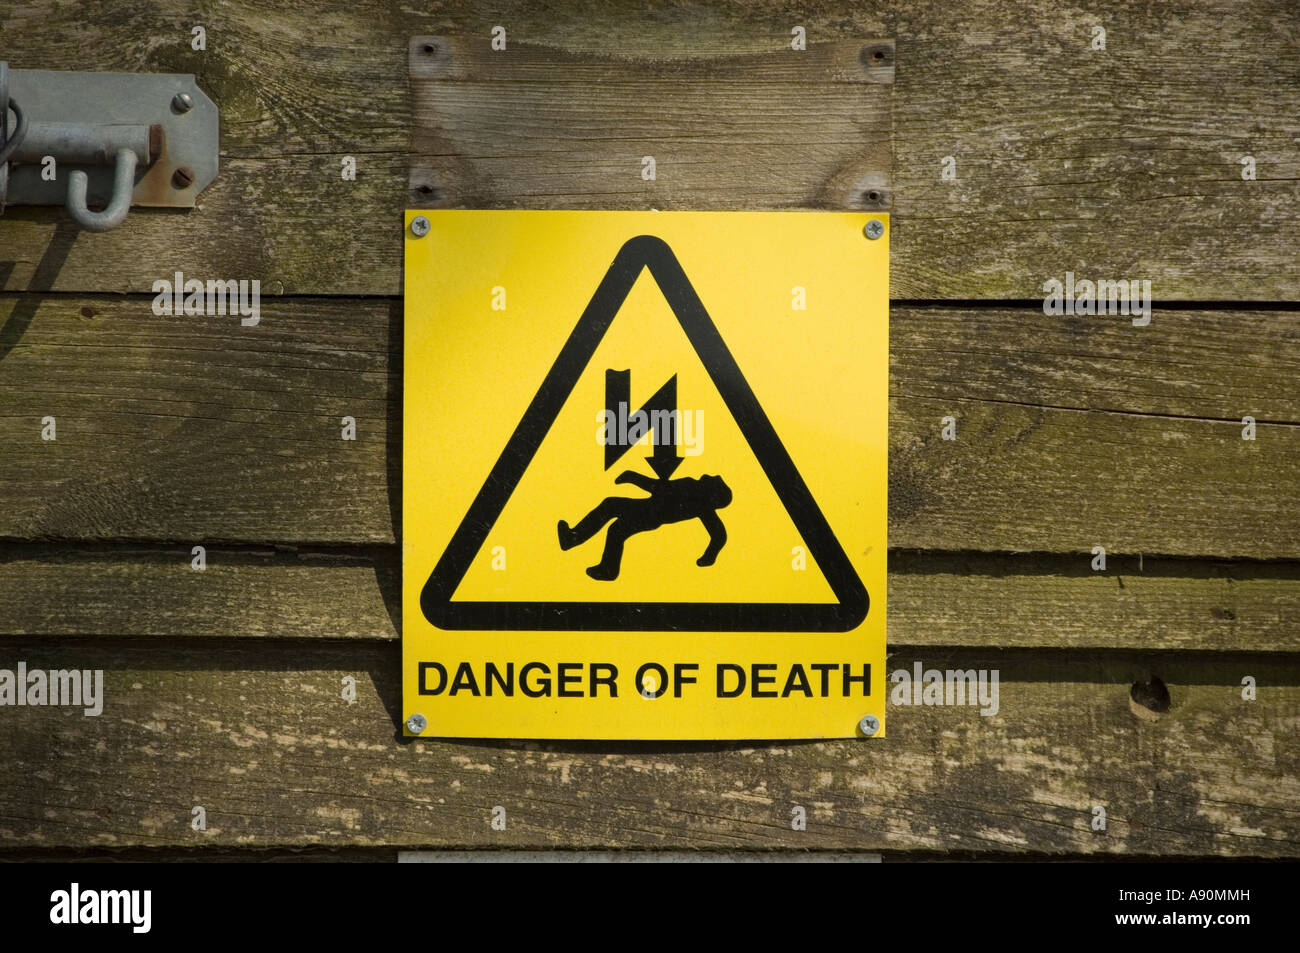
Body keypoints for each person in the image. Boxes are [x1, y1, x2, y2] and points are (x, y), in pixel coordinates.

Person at [558, 470, 732, 580]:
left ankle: (606, 568)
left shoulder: (697, 500)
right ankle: (574, 539)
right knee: (611, 507)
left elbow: (658, 487)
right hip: (645, 508)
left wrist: (632, 477)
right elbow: (719, 536)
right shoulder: (695, 495)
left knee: (616, 529)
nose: (710, 476)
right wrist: (709, 557)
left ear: (711, 495)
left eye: (714, 481)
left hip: (649, 516)